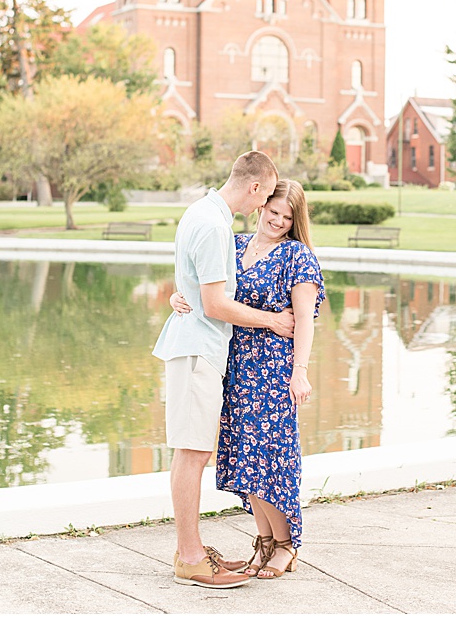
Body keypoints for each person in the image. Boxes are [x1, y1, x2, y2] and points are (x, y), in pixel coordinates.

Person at [152, 151, 295, 589]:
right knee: (192, 455)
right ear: (254, 187)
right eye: (265, 196)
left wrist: (181, 294)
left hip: (192, 348)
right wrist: (273, 320)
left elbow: (191, 283)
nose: (263, 207)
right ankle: (192, 558)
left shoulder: (199, 211)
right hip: (198, 352)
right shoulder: (215, 226)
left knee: (190, 453)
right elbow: (215, 304)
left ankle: (190, 551)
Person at [171, 179, 324, 580]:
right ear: (261, 207)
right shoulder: (233, 244)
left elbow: (305, 320)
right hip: (235, 365)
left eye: (287, 217)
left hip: (274, 370)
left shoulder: (298, 256)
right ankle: (264, 541)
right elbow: (210, 290)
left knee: (271, 458)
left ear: (295, 221)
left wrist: (300, 372)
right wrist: (178, 295)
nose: (277, 221)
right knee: (246, 459)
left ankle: (286, 545)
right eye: (273, 212)